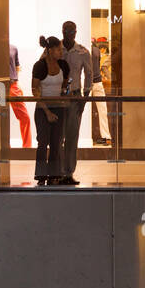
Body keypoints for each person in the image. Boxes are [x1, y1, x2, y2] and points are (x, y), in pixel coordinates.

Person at [31, 36, 69, 186]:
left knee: (56, 142)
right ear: (50, 50)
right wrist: (47, 112)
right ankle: (41, 174)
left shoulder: (63, 65)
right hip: (42, 108)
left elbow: (65, 86)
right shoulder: (39, 66)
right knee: (42, 142)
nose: (61, 52)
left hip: (59, 108)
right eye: (58, 49)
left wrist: (65, 97)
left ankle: (54, 174)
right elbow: (35, 91)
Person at [60, 20, 93, 187]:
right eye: (66, 30)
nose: (69, 33)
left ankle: (68, 172)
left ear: (76, 32)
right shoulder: (54, 50)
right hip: (57, 98)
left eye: (72, 30)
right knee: (57, 137)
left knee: (72, 137)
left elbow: (89, 75)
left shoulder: (82, 52)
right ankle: (56, 171)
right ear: (62, 31)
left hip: (74, 97)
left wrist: (85, 99)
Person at [9, 44, 32, 147]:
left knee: (25, 117)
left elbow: (17, 66)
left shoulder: (13, 48)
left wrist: (15, 79)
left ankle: (27, 147)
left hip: (12, 85)